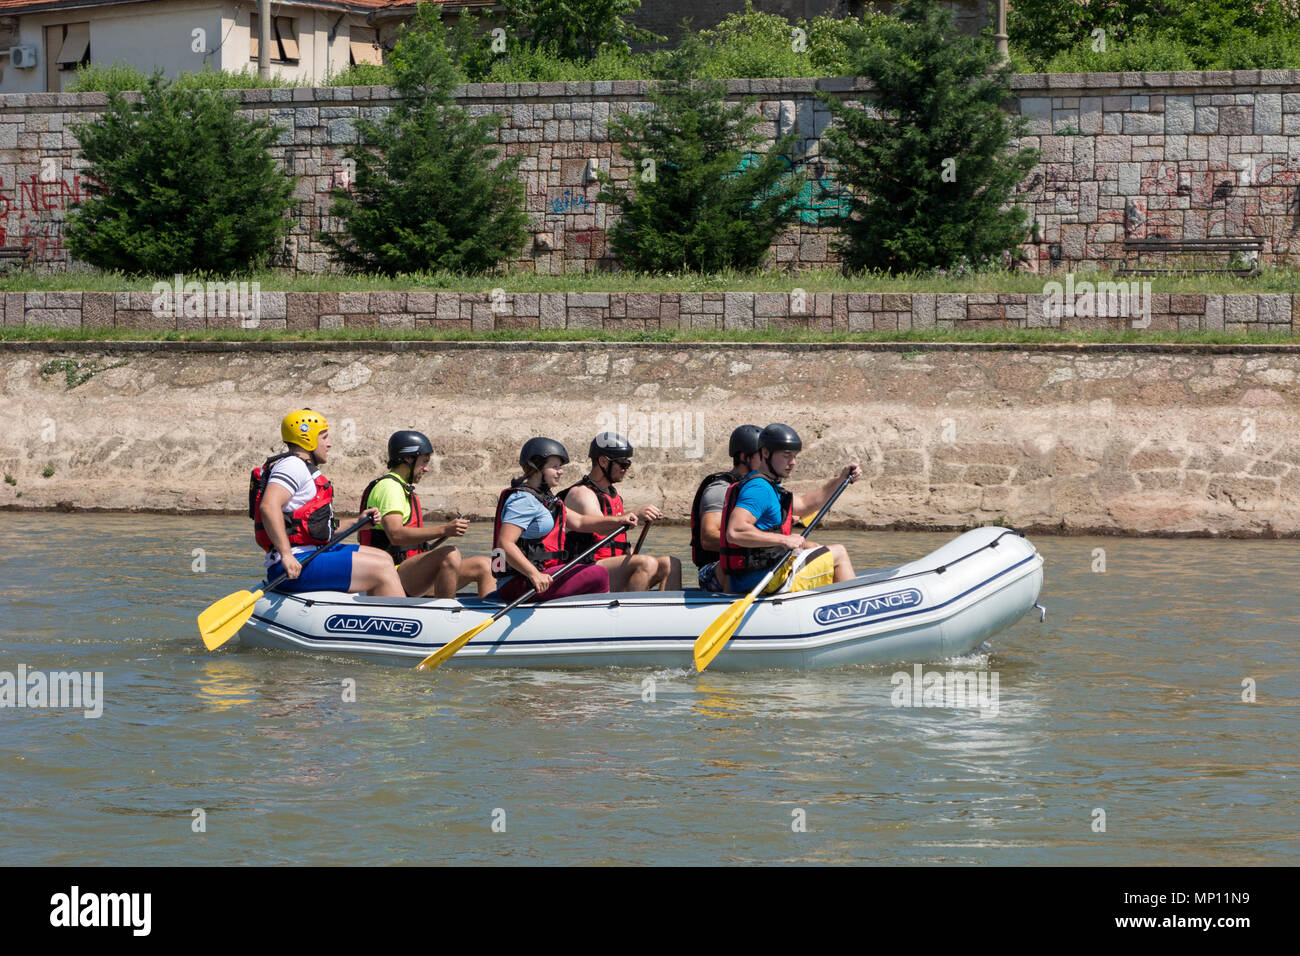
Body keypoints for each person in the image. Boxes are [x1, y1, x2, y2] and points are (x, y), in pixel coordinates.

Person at [251, 409, 403, 596]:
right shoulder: (292, 465)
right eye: (324, 437)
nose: (329, 444)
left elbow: (316, 528)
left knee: (385, 558)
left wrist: (358, 522)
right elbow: (269, 506)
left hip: (312, 553)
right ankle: (404, 621)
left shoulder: (302, 468)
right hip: (296, 563)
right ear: (308, 439)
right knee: (381, 568)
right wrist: (286, 555)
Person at [718, 423, 861, 596]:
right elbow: (735, 531)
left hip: (755, 577)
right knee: (839, 553)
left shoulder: (767, 486)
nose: (792, 462)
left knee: (814, 548)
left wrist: (841, 479)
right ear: (765, 453)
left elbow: (805, 505)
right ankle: (855, 606)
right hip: (763, 581)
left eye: (795, 456)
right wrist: (783, 540)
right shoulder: (759, 489)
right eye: (786, 455)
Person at [491, 437, 637, 603]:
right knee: (599, 573)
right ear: (537, 468)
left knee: (589, 570)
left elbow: (581, 522)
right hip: (519, 582)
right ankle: (602, 616)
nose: (561, 471)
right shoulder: (523, 501)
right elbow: (505, 543)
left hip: (540, 576)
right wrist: (534, 574)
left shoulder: (546, 500)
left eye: (560, 467)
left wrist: (620, 521)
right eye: (555, 467)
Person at [359, 430, 494, 599]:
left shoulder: (402, 488)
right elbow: (396, 535)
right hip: (390, 575)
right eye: (424, 462)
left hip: (412, 575)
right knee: (449, 554)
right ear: (408, 458)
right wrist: (445, 529)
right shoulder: (389, 488)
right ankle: (445, 616)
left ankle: (488, 619)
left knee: (485, 566)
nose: (427, 468)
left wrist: (445, 532)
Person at [558, 432, 682, 592]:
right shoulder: (582, 494)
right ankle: (634, 613)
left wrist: (627, 551)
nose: (626, 469)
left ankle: (667, 614)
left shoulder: (613, 495)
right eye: (622, 465)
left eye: (627, 465)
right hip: (583, 569)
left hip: (609, 568)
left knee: (670, 563)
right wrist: (636, 515)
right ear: (603, 461)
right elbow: (601, 529)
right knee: (646, 563)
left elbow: (614, 541)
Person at [690, 424, 762, 592]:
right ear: (745, 457)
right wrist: (761, 547)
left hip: (750, 562)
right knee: (735, 569)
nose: (769, 460)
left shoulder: (757, 489)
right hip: (715, 570)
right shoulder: (720, 489)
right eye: (763, 455)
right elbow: (708, 538)